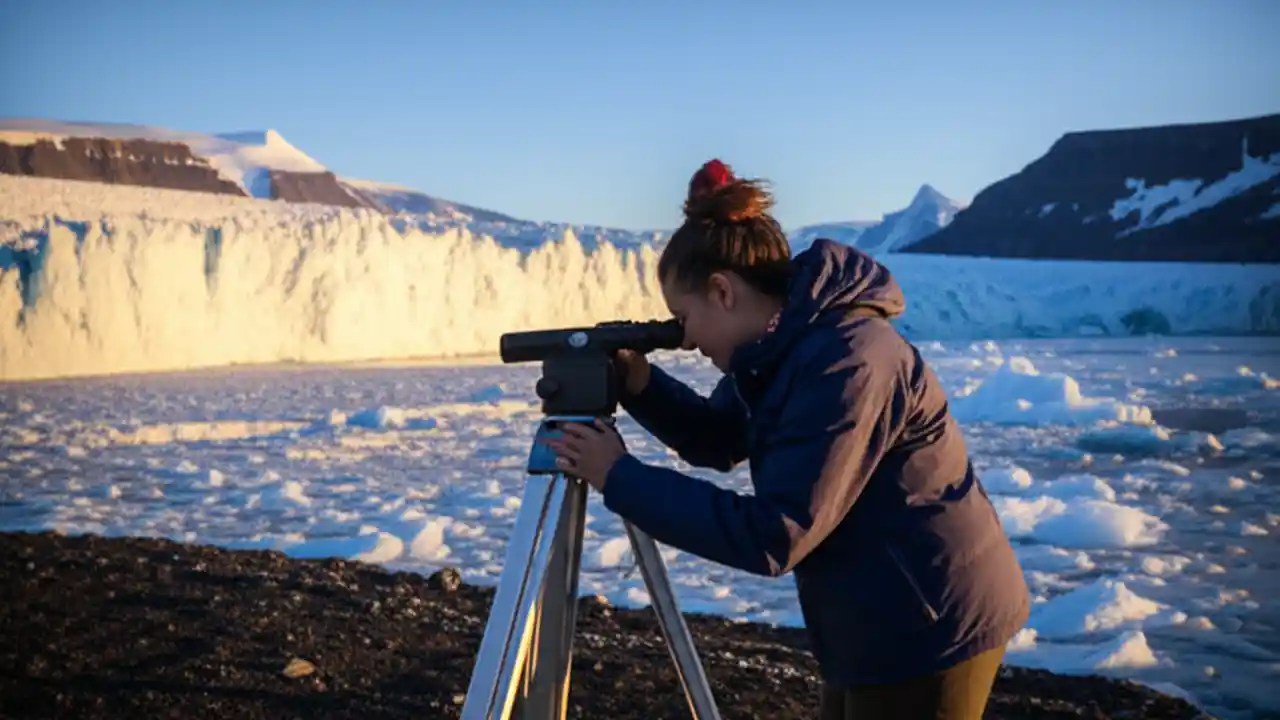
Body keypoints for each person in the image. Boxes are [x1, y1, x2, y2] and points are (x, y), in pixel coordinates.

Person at [546, 159, 1029, 720]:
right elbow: (719, 438)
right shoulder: (783, 348)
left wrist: (618, 476)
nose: (685, 338)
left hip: (928, 621)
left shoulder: (848, 359)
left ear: (722, 292)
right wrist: (641, 383)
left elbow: (775, 534)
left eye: (684, 317)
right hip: (869, 615)